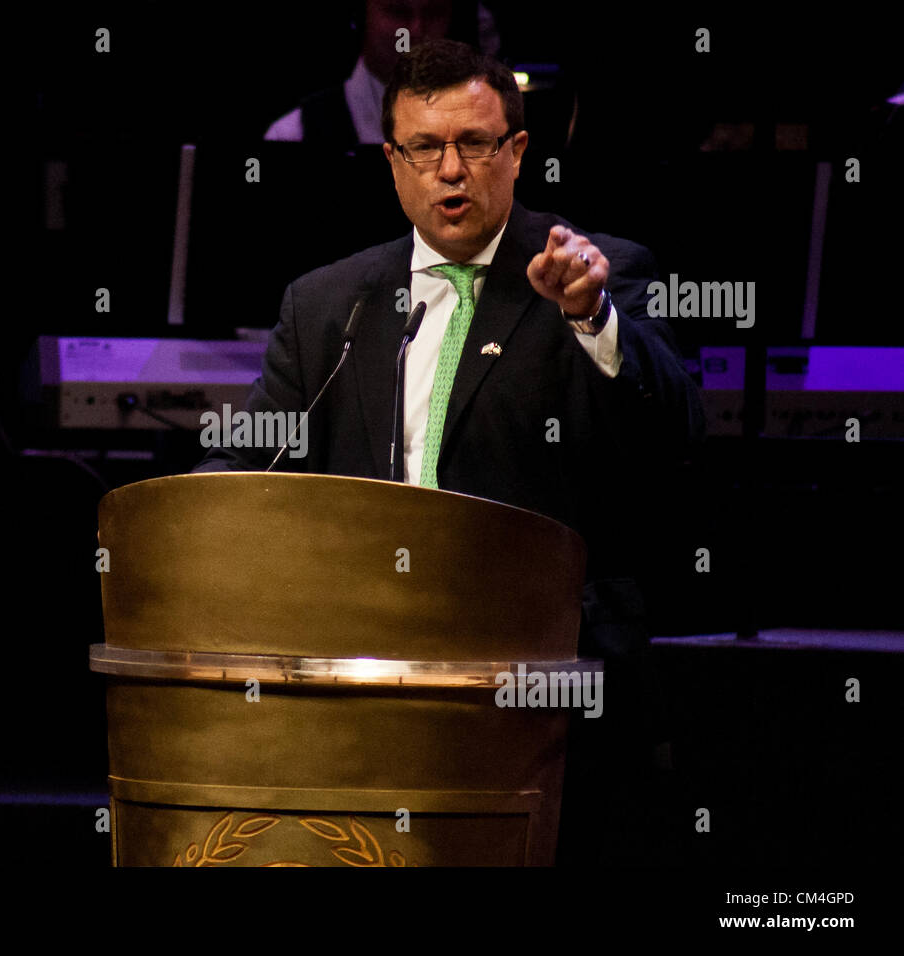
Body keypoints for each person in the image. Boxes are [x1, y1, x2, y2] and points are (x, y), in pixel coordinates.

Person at [196, 38, 706, 863]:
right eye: (426, 148)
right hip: (370, 676)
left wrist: (591, 319)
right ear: (392, 159)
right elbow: (259, 460)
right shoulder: (330, 303)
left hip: (542, 680)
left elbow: (676, 427)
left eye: (474, 143)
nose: (451, 170)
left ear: (517, 151)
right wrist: (185, 518)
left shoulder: (591, 271)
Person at [264, 0, 500, 149]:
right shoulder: (293, 134)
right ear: (361, 17)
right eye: (398, 12)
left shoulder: (486, 129)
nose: (416, 30)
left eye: (433, 13)